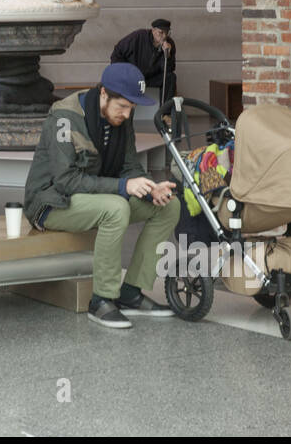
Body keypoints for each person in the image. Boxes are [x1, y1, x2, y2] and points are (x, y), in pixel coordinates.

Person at [24, 63, 180, 328]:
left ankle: (131, 291)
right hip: (51, 203)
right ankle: (101, 300)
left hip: (94, 198)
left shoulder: (121, 116)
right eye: (122, 106)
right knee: (116, 207)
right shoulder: (65, 117)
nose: (127, 113)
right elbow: (65, 181)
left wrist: (149, 188)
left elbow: (129, 165)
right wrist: (123, 187)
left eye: (132, 108)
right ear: (104, 93)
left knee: (168, 206)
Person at [111, 18, 176, 106]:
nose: (164, 36)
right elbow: (118, 51)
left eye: (167, 32)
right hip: (134, 77)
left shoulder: (169, 44)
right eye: (161, 32)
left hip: (151, 78)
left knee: (170, 77)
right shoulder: (139, 36)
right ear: (153, 30)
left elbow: (168, 70)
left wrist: (167, 55)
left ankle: (165, 113)